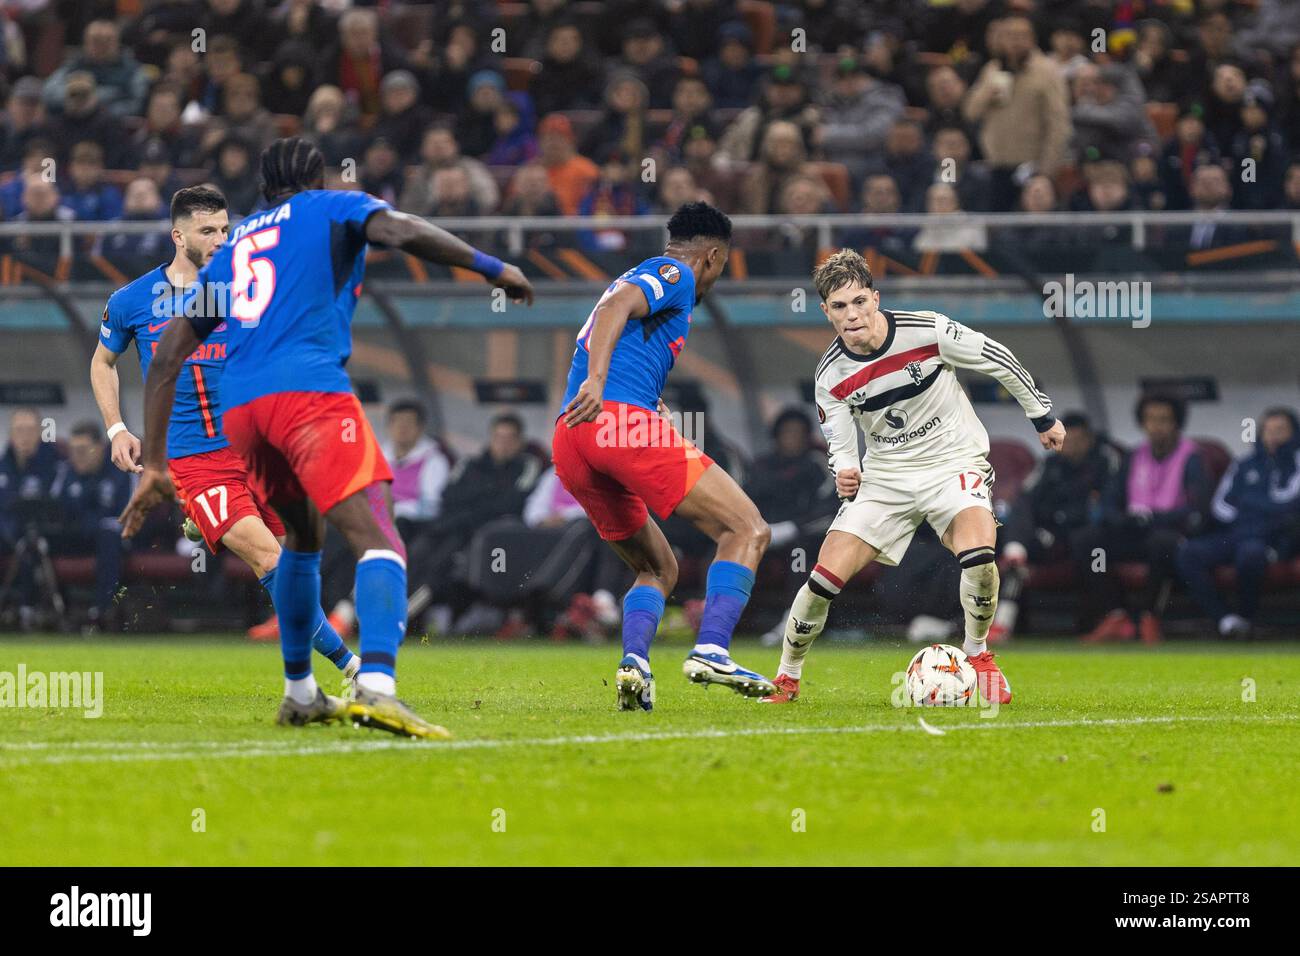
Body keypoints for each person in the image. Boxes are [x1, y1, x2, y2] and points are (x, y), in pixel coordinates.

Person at [117, 139, 534, 738]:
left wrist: (154, 462)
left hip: (243, 414)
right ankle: (379, 686)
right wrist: (495, 268)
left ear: (261, 191)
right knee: (377, 529)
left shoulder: (234, 246)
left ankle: (300, 692)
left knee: (304, 543)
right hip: (309, 395)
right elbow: (403, 230)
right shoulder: (330, 208)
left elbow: (167, 358)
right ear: (317, 181)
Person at [763, 249, 1065, 705]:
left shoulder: (928, 329)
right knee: (822, 580)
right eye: (839, 307)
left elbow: (997, 358)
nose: (852, 315)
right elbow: (841, 444)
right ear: (825, 312)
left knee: (980, 558)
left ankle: (978, 655)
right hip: (887, 478)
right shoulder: (831, 376)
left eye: (860, 301)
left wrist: (1041, 415)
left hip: (953, 463)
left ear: (876, 299)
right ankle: (786, 678)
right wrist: (845, 470)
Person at [93, 183, 358, 676]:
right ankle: (354, 669)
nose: (220, 238)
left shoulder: (249, 292)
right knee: (269, 556)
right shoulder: (133, 300)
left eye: (225, 229)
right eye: (207, 231)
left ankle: (301, 686)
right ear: (178, 235)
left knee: (289, 565)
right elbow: (102, 363)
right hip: (195, 459)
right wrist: (116, 430)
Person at [554, 202, 776, 711]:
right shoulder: (672, 271)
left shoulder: (638, 278)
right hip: (616, 422)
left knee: (658, 568)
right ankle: (713, 649)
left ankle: (634, 667)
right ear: (714, 257)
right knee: (747, 530)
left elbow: (618, 325)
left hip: (572, 440)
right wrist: (600, 382)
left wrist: (642, 399)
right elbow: (615, 312)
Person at [1076, 395, 1212, 644]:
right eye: (1150, 420)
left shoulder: (1192, 457)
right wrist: (1118, 518)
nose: (1157, 426)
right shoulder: (1133, 456)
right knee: (1088, 540)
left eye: (1164, 420)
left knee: (1163, 544)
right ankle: (1117, 614)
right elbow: (1110, 499)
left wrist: (1156, 518)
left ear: (1176, 424)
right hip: (1134, 530)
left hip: (1168, 530)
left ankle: (1150, 617)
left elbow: (1197, 509)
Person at [991, 411, 1123, 641]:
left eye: (1077, 440)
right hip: (1051, 536)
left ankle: (1111, 616)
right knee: (1005, 535)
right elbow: (1026, 499)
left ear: (1089, 440)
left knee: (1093, 548)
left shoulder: (1105, 461)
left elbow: (1108, 504)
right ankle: (1001, 622)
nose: (1071, 446)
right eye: (1066, 441)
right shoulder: (1050, 464)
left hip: (1089, 538)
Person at [1177, 409, 1300, 638]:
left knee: (1251, 554)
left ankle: (1246, 618)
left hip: (1270, 537)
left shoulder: (1297, 463)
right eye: (1267, 430)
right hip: (1236, 532)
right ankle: (1225, 619)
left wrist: (1250, 503)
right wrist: (1254, 511)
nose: (1272, 436)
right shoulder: (1244, 464)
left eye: (1280, 430)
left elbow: (1289, 506)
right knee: (1189, 553)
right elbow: (1220, 506)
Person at [47, 423, 132, 628]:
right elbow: (53, 512)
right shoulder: (65, 472)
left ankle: (102, 611)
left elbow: (126, 516)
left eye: (83, 450)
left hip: (112, 539)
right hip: (76, 536)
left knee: (109, 536)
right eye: (73, 451)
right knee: (39, 540)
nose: (77, 456)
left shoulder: (121, 470)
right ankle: (51, 610)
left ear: (100, 448)